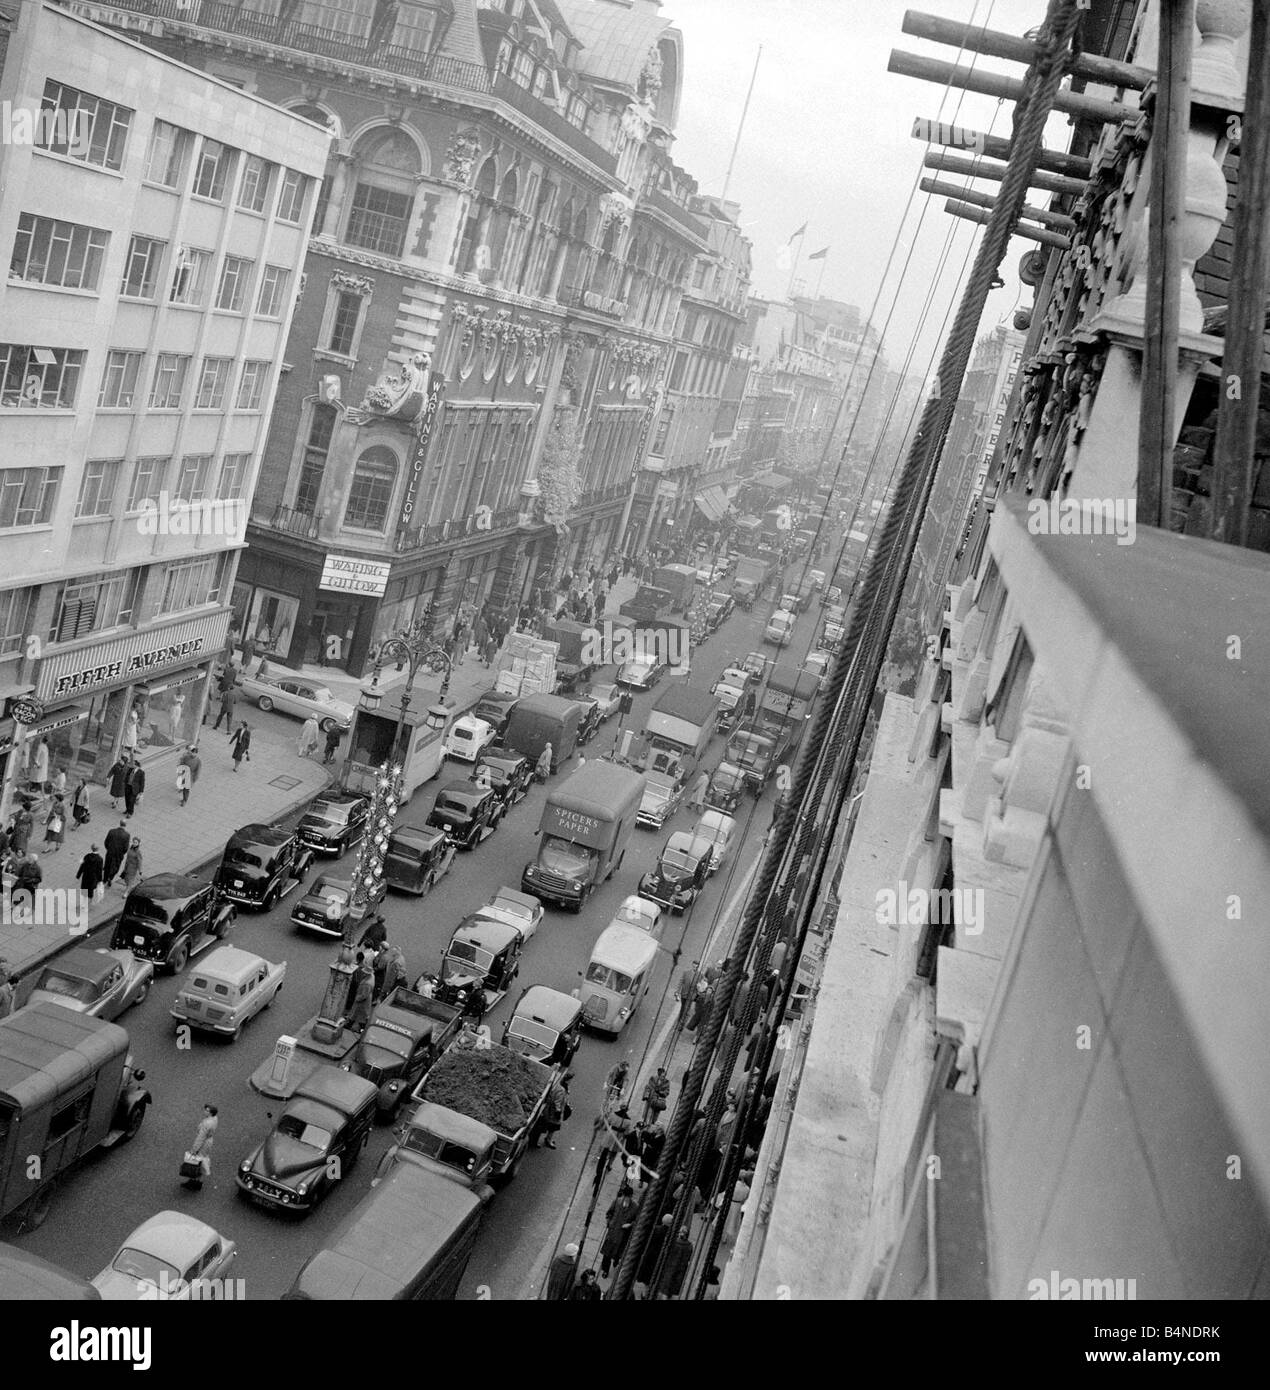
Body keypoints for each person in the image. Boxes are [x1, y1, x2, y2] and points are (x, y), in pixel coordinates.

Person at [600, 1183, 639, 1279]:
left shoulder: (635, 1207)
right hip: (612, 1233)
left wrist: (630, 1224)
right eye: (625, 1197)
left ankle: (616, 1261)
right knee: (607, 1253)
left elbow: (637, 1220)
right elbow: (609, 1213)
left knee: (619, 1252)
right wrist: (609, 1223)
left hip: (623, 1235)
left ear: (631, 1196)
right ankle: (605, 1270)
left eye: (628, 1197)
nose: (626, 1199)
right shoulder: (617, 1201)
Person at [182, 1103, 218, 1190]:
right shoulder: (214, 1118)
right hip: (209, 1141)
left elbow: (200, 1138)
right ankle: (198, 1182)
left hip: (204, 1143)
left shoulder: (207, 1124)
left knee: (196, 1162)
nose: (204, 1111)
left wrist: (194, 1150)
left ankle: (193, 1182)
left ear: (210, 1113)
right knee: (202, 1159)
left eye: (207, 1110)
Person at [538, 1076, 569, 1149]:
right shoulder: (562, 1090)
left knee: (551, 1127)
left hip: (552, 1112)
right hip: (553, 1113)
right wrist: (558, 1111)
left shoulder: (561, 1086)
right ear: (567, 1080)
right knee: (553, 1128)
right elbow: (557, 1102)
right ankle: (548, 1140)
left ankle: (548, 1139)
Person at [347, 954, 374, 1033]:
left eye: (365, 972)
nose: (363, 973)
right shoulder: (372, 977)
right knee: (359, 1014)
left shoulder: (367, 984)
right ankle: (351, 1024)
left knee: (359, 1014)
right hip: (366, 1000)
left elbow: (363, 995)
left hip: (362, 1001)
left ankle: (361, 1029)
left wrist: (357, 998)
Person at [104, 820, 131, 887]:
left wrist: (109, 849)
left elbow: (106, 842)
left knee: (107, 865)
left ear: (120, 823)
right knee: (115, 866)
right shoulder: (127, 835)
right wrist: (122, 853)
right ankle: (110, 878)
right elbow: (125, 847)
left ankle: (104, 879)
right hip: (118, 854)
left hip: (110, 852)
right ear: (125, 825)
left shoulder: (111, 831)